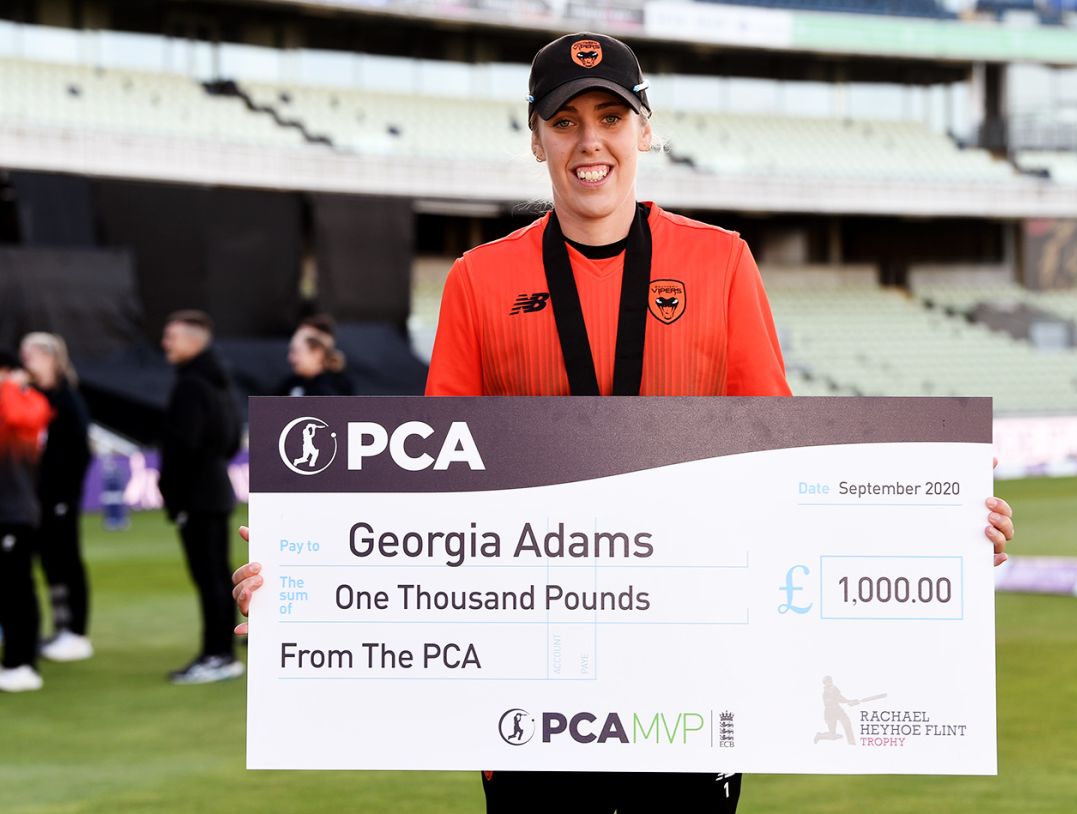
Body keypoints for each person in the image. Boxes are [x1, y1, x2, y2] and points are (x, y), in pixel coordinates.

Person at [231, 31, 1016, 812]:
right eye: (565, 122)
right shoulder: (479, 280)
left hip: (692, 683)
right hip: (529, 694)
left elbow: (785, 470)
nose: (589, 142)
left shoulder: (721, 262)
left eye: (611, 117)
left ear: (645, 129)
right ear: (535, 140)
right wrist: (307, 582)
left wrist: (932, 535)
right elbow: (441, 490)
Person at [159, 310, 244, 684]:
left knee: (209, 577)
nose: (165, 343)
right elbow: (228, 440)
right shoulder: (219, 380)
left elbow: (181, 446)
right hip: (214, 489)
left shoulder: (192, 384)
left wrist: (172, 493)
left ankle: (217, 655)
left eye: (172, 337)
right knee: (215, 576)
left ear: (194, 342)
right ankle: (220, 652)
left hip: (197, 495)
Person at [20, 332, 94, 662]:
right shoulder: (34, 396)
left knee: (67, 561)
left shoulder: (66, 399)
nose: (26, 363)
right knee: (50, 563)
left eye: (31, 356)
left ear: (50, 357)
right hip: (37, 497)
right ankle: (62, 629)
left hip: (60, 496)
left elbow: (80, 452)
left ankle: (76, 633)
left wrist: (65, 493)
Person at [0, 349, 53, 693]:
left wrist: (7, 386)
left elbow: (22, 419)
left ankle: (21, 663)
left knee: (16, 589)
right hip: (14, 509)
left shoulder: (25, 402)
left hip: (14, 511)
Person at [277, 315, 354, 397]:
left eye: (296, 352)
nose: (290, 358)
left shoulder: (335, 387)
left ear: (317, 353)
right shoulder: (291, 383)